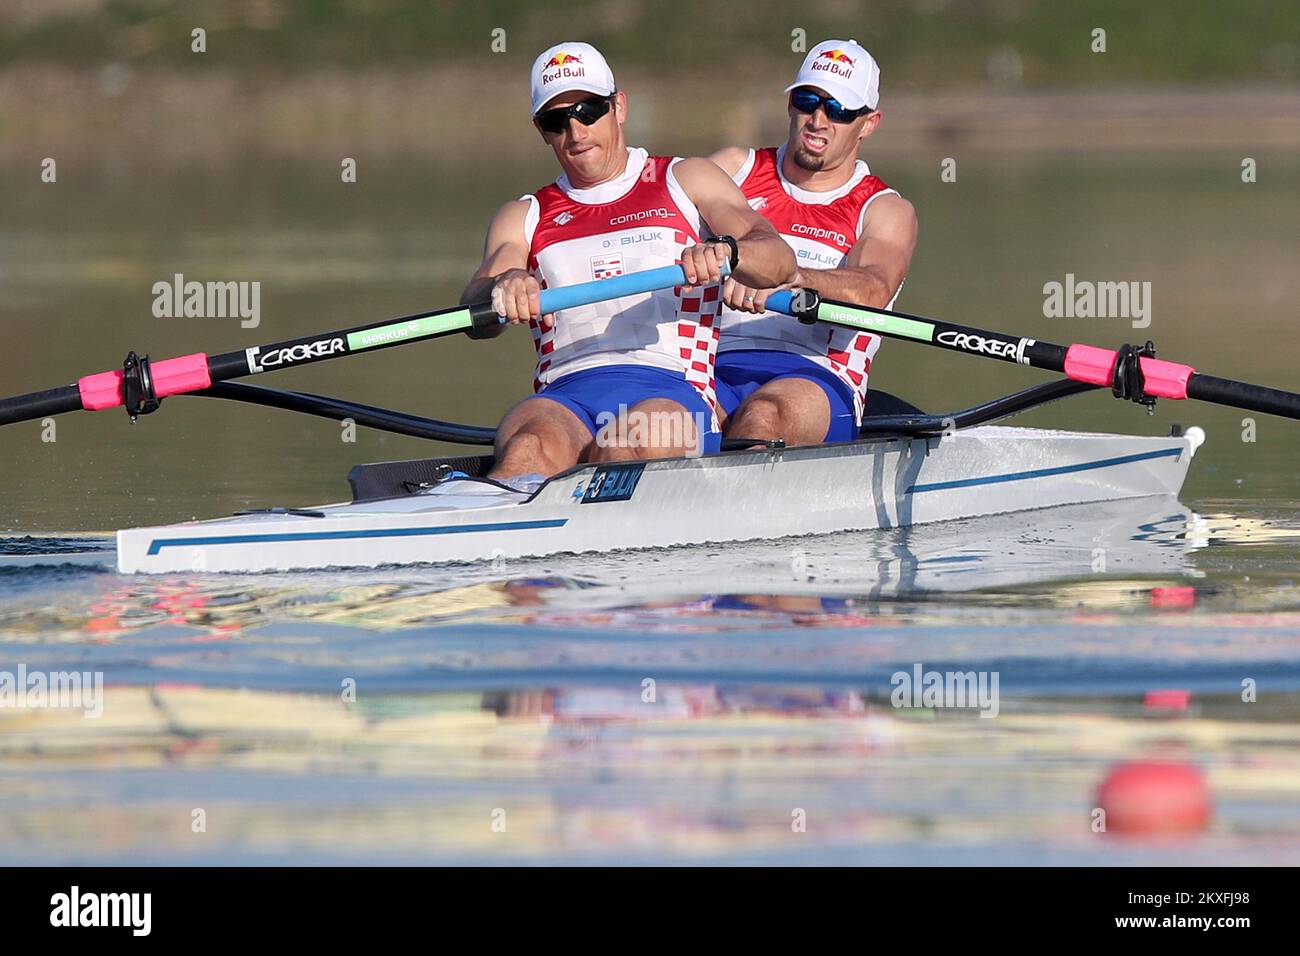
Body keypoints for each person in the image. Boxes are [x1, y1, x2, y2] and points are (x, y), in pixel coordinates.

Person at [462, 42, 797, 481]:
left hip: (675, 394)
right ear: (540, 130)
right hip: (566, 398)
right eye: (556, 120)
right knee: (526, 448)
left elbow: (779, 259)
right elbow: (475, 311)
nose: (576, 131)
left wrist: (728, 253)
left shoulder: (686, 179)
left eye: (588, 110)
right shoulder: (524, 215)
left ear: (619, 107)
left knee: (621, 444)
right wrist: (503, 285)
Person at [710, 39, 918, 446]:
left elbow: (872, 288)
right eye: (808, 100)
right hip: (708, 365)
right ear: (791, 104)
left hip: (815, 375)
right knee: (652, 421)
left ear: (869, 123)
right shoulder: (732, 169)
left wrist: (790, 277)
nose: (819, 120)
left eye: (839, 110)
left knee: (762, 416)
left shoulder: (884, 209)